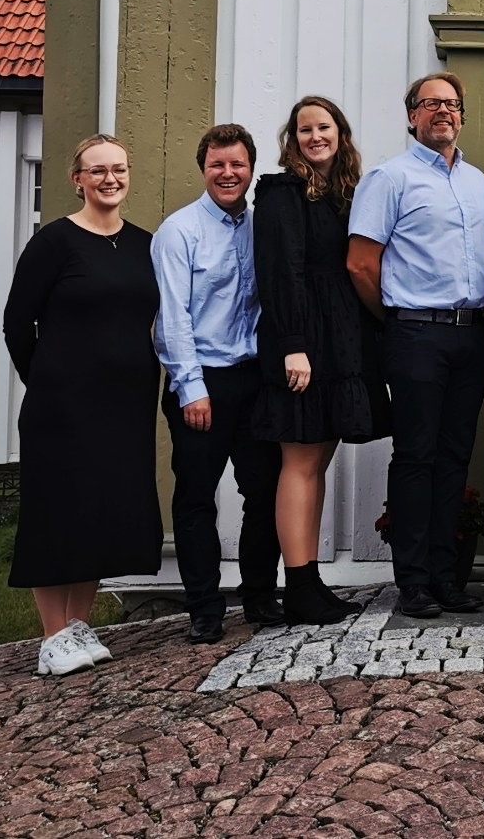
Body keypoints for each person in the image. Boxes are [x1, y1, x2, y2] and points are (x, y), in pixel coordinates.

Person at [3, 134, 162, 676]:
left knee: (100, 511)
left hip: (124, 405)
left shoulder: (143, 243)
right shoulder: (55, 243)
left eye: (118, 168)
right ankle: (51, 636)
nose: (109, 179)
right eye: (97, 171)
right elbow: (16, 323)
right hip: (63, 404)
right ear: (78, 178)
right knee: (58, 511)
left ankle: (78, 625)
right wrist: (48, 380)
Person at [348, 73, 484, 619]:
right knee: (415, 457)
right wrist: (397, 320)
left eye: (451, 104)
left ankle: (445, 576)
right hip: (414, 334)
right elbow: (361, 263)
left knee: (455, 458)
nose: (443, 112)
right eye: (431, 104)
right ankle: (412, 582)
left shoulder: (477, 183)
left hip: (469, 334)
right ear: (412, 116)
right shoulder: (390, 178)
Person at [252, 96, 388, 625]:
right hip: (304, 341)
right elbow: (280, 272)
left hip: (339, 341)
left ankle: (309, 581)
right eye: (305, 129)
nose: (315, 137)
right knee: (300, 462)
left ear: (340, 133)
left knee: (318, 461)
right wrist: (293, 345)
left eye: (323, 127)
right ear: (294, 139)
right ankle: (300, 587)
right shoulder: (282, 192)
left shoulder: (343, 193)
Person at [153, 124, 283, 644]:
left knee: (265, 492)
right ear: (203, 169)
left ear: (251, 168)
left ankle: (258, 597)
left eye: (237, 164)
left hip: (254, 382)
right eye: (217, 165)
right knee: (196, 500)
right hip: (200, 383)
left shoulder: (261, 227)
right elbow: (172, 317)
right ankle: (204, 608)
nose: (228, 174)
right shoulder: (178, 231)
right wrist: (190, 387)